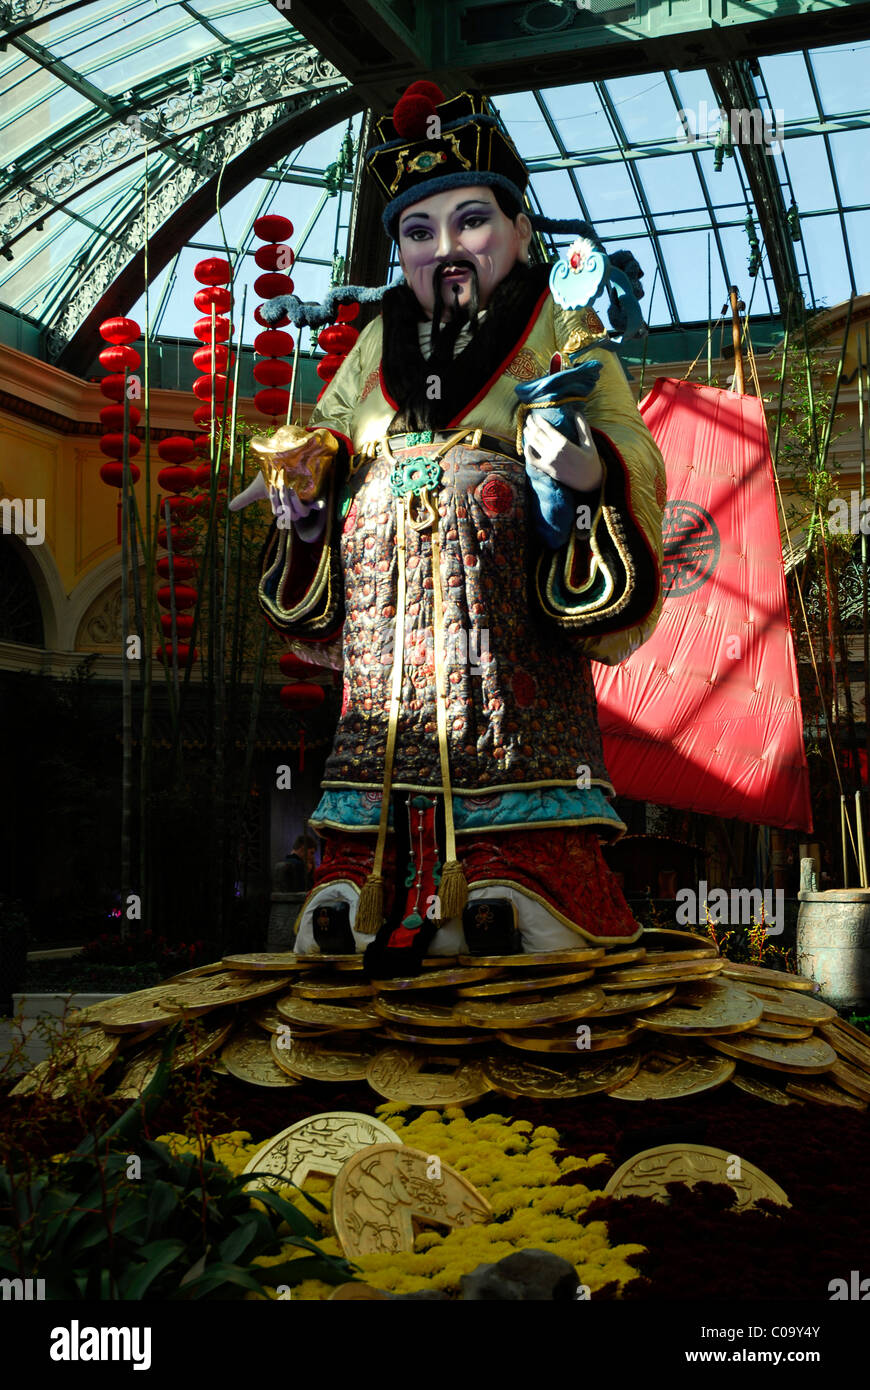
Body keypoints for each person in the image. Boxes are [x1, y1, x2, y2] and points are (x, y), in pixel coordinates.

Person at [232, 84, 666, 972]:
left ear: (518, 231)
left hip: (503, 652)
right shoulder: (379, 339)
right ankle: (365, 869)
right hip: (387, 649)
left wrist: (586, 470)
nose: (446, 249)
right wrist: (307, 499)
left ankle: (523, 863)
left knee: (512, 864)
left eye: (470, 221)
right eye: (418, 234)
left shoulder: (560, 322)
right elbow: (329, 437)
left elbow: (630, 446)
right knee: (363, 832)